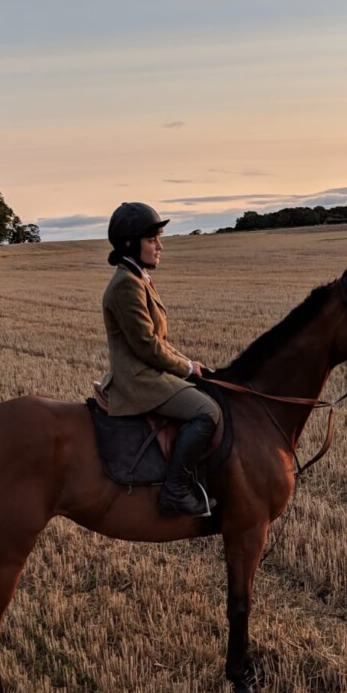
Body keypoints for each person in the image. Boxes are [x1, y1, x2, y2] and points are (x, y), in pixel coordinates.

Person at [100, 202, 221, 517]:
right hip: (140, 380)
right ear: (130, 242)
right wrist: (184, 367)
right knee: (207, 412)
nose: (160, 246)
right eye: (152, 239)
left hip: (151, 372)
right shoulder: (126, 284)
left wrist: (190, 364)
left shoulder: (137, 278)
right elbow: (147, 346)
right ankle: (176, 491)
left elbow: (158, 342)